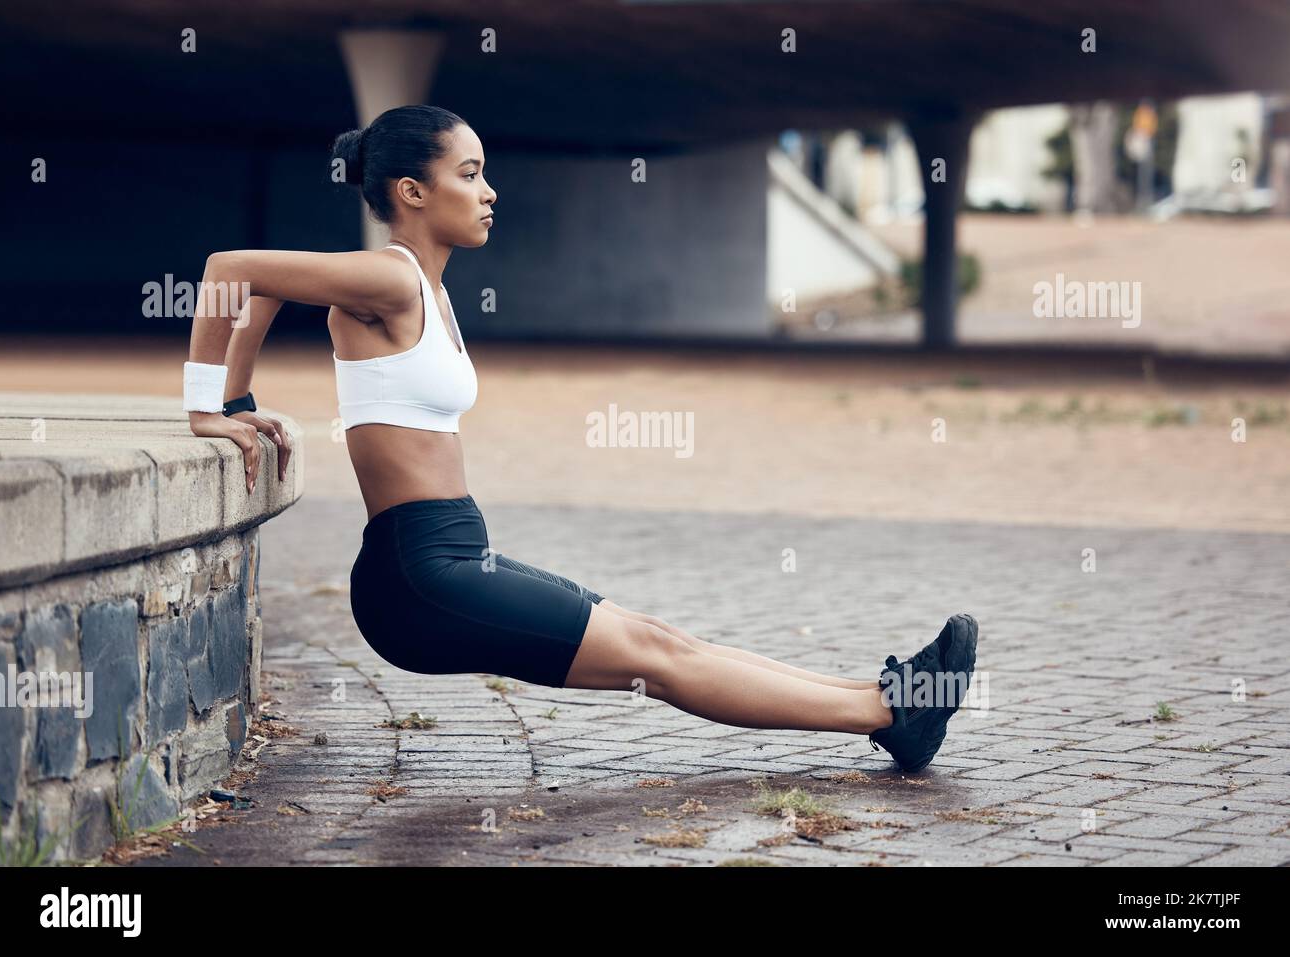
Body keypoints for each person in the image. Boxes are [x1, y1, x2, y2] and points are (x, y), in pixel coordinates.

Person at [181, 104, 977, 773]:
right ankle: (886, 713)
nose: (490, 192)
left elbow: (260, 299)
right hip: (418, 574)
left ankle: (883, 698)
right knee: (654, 659)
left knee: (661, 639)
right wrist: (207, 410)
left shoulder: (417, 290)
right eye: (469, 174)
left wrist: (241, 393)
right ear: (412, 190)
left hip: (454, 554)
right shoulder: (390, 279)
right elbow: (230, 271)